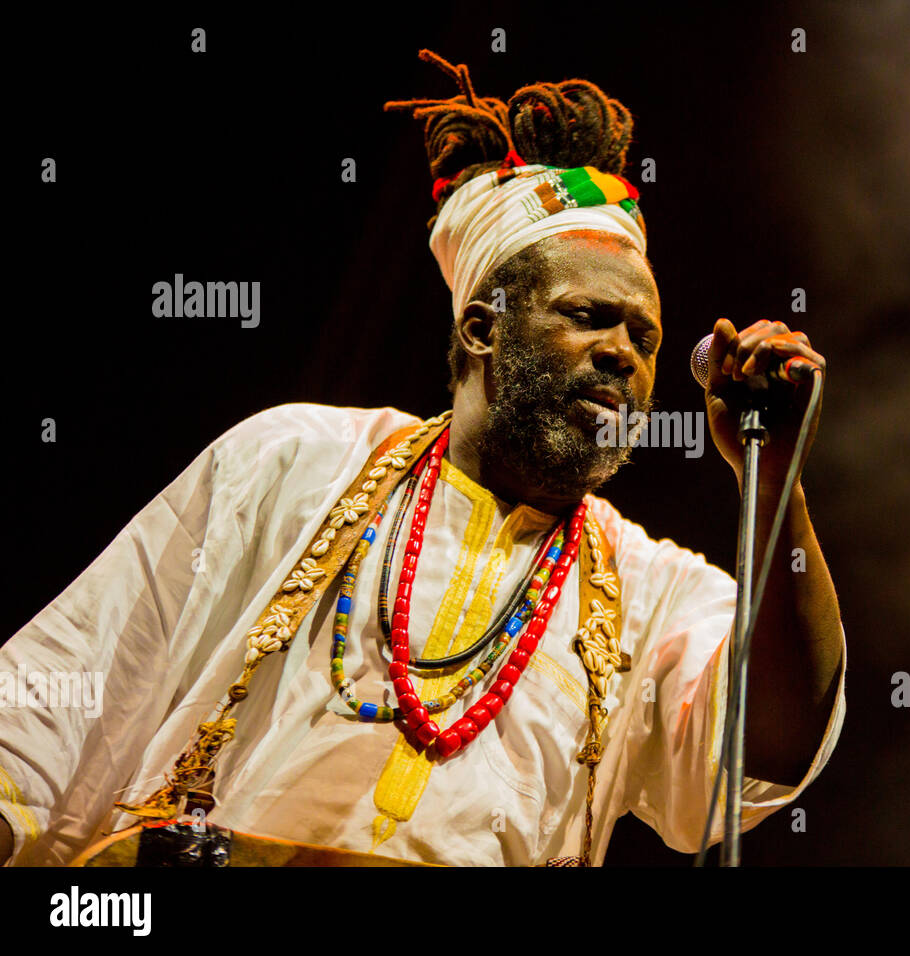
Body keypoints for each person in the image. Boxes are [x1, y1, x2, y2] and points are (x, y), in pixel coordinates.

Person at [0, 52, 845, 867]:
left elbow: (766, 748)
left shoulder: (653, 594)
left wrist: (773, 480)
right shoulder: (296, 460)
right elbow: (60, 694)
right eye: (589, 315)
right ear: (481, 328)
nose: (623, 353)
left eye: (646, 339)